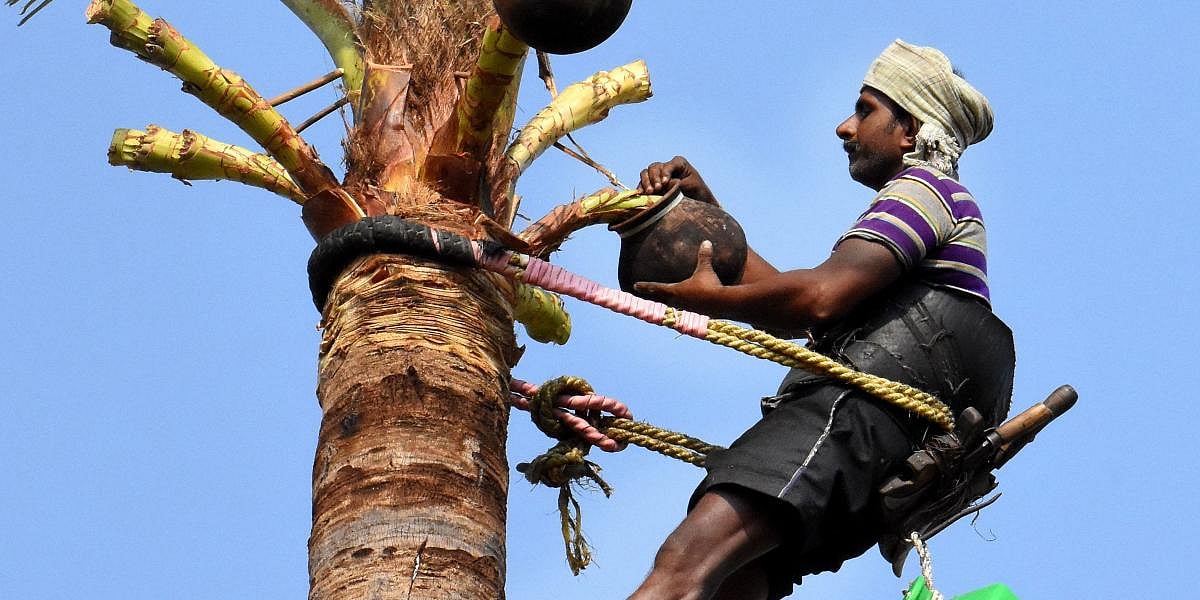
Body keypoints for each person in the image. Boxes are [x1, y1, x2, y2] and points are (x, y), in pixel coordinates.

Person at [627, 40, 1015, 600]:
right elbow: (802, 313)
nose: (845, 127)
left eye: (865, 110)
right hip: (880, 447)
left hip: (854, 419)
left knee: (683, 567)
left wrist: (711, 301)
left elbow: (819, 299)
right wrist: (710, 219)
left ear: (910, 130)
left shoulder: (925, 192)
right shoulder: (929, 221)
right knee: (735, 585)